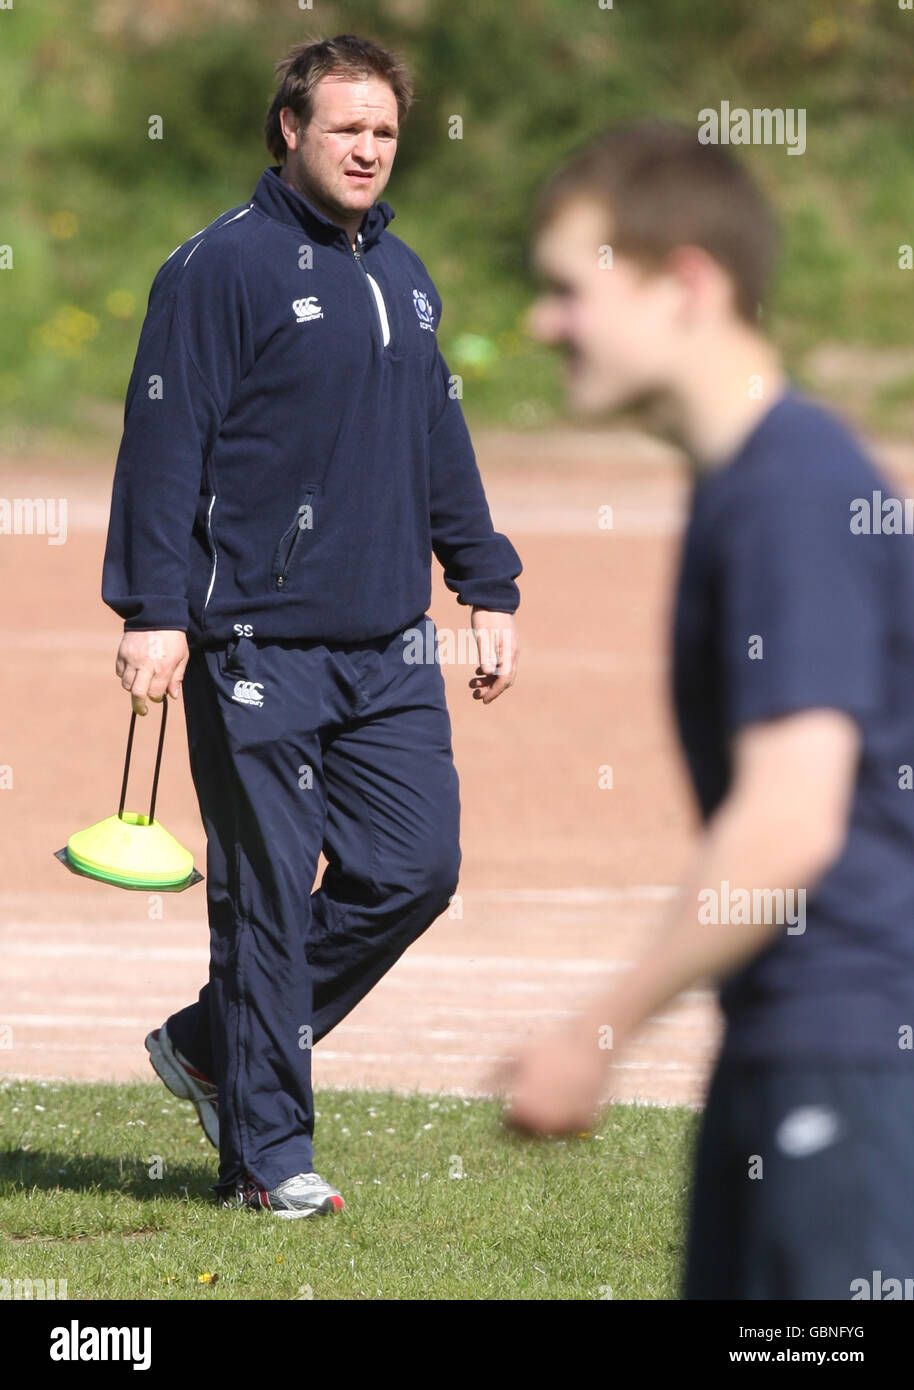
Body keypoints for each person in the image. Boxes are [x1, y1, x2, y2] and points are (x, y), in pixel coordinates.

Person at [102, 34, 522, 1219]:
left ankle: (206, 1043)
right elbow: (164, 444)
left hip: (389, 649)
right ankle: (270, 1160)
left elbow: (434, 437)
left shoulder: (408, 275)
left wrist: (482, 581)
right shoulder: (215, 270)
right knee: (268, 903)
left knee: (411, 868)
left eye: (384, 131)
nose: (368, 150)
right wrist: (152, 608)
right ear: (289, 130)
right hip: (252, 650)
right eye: (347, 128)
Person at [502, 121, 914, 1299]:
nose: (542, 324)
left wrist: (598, 1029)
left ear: (685, 280)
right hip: (788, 1044)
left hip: (845, 1051)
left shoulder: (791, 491)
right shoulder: (754, 482)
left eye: (567, 288)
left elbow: (788, 825)